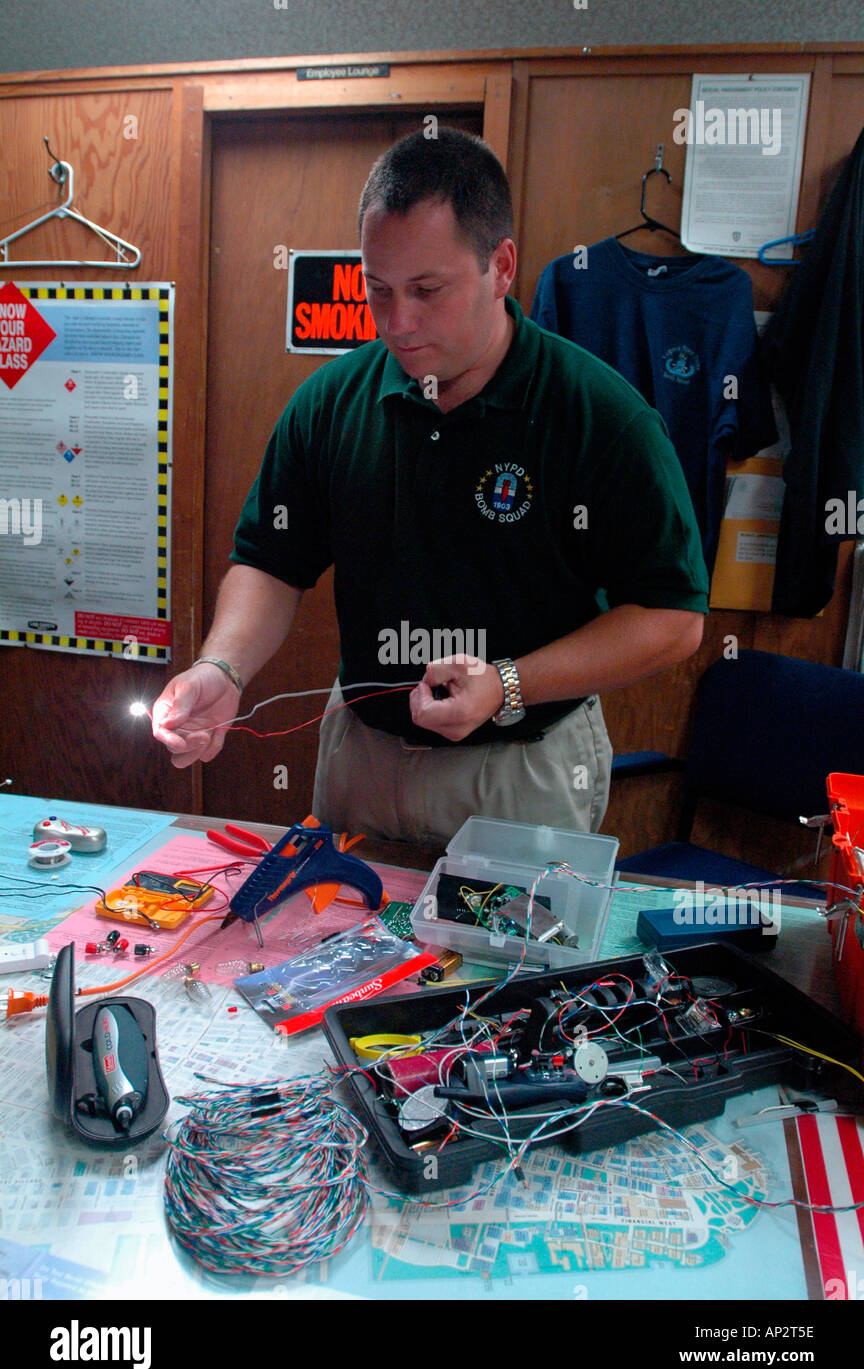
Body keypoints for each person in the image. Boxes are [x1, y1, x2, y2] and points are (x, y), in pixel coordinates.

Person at [152, 127, 708, 851]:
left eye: (427, 291)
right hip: (362, 756)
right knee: (327, 958)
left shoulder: (600, 416)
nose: (397, 323)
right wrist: (222, 668)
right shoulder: (331, 403)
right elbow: (270, 564)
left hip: (521, 768)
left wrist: (506, 683)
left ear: (501, 267)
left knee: (500, 968)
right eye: (377, 289)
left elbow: (672, 618)